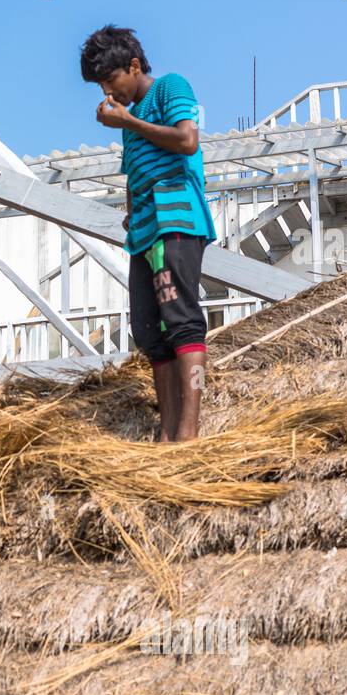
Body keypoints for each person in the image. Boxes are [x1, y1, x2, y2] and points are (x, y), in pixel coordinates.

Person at [81, 26, 216, 441]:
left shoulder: (169, 88)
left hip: (176, 219)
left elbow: (186, 140)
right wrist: (131, 209)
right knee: (147, 330)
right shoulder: (131, 121)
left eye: (110, 80)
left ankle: (187, 432)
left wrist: (128, 119)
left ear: (134, 66)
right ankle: (167, 431)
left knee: (181, 320)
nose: (107, 90)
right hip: (144, 229)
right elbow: (135, 171)